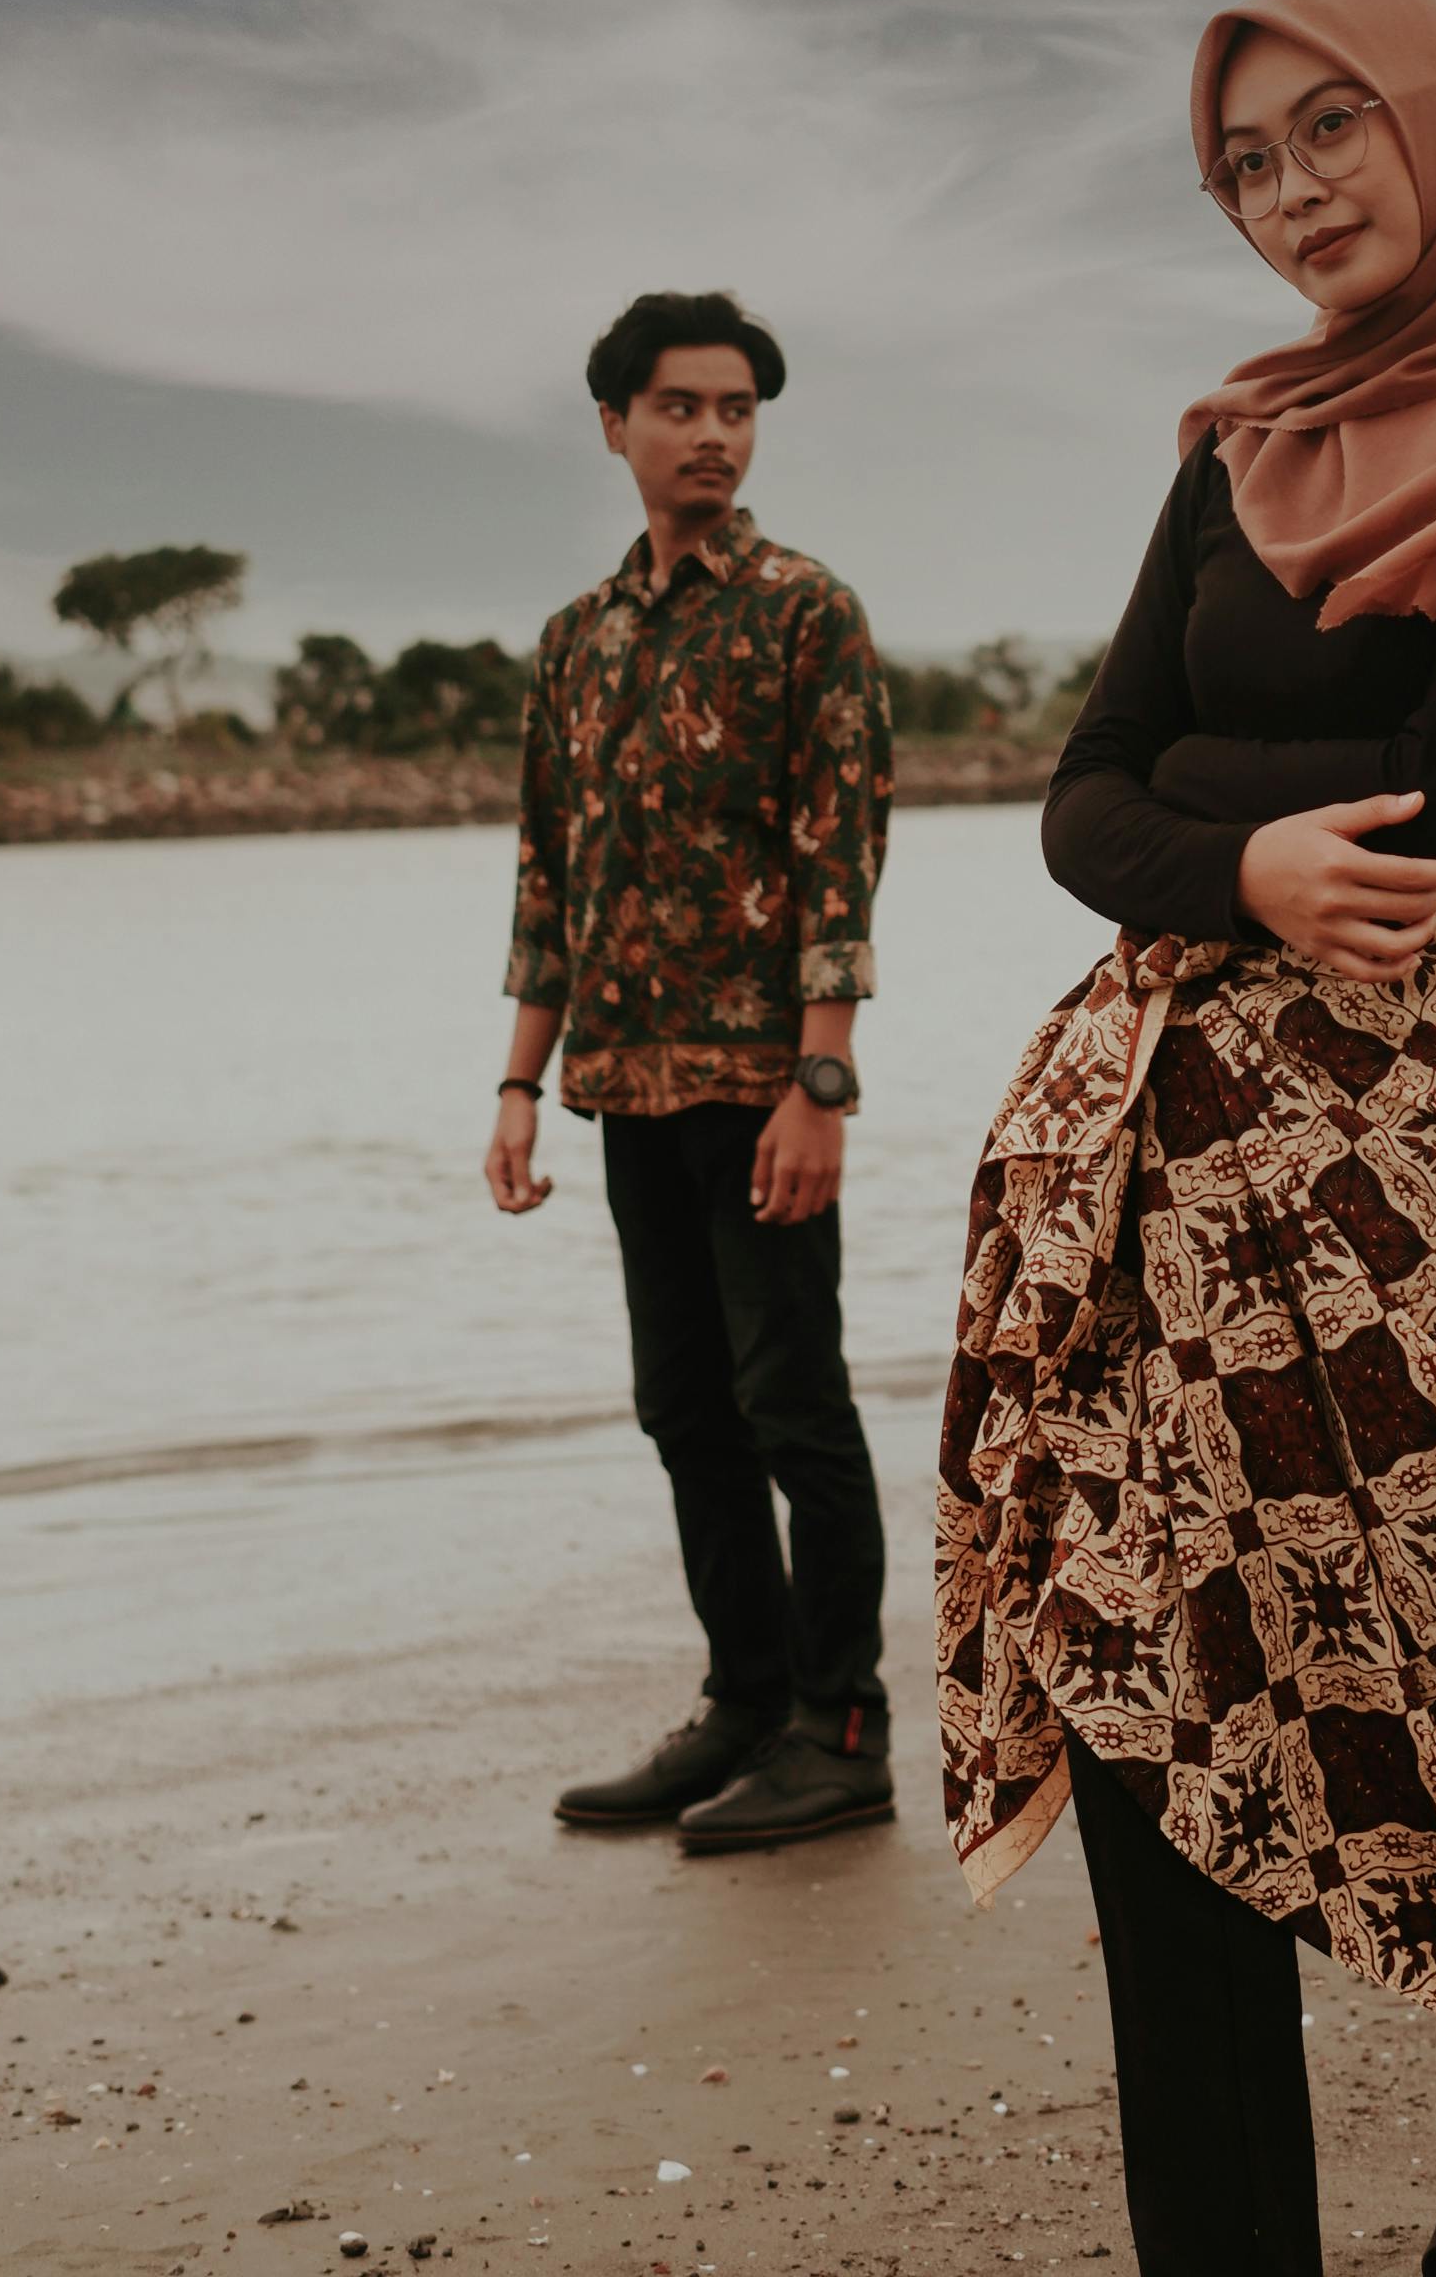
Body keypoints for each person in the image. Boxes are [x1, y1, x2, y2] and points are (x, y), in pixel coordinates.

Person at [938, 0, 1436, 2274]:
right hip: (1182, 1175)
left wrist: (1203, 808)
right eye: (1243, 163)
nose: (1287, 195)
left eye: (1329, 130)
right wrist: (1242, 853)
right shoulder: (1228, 449)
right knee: (1158, 1690)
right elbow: (1076, 798)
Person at [487, 284, 896, 1853]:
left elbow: (837, 866)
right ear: (616, 425)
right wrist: (520, 1085)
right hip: (621, 1087)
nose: (714, 434)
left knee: (795, 1402)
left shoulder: (806, 612)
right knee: (683, 1409)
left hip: (763, 1088)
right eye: (682, 407)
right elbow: (550, 876)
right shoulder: (575, 643)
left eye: (737, 409)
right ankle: (744, 1702)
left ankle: (842, 1727)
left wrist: (823, 1082)